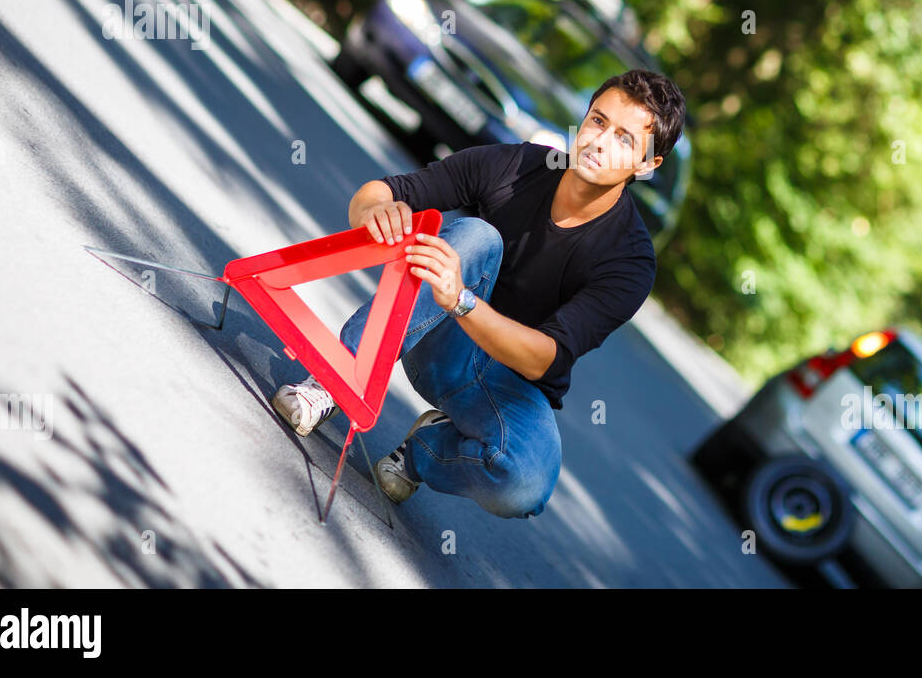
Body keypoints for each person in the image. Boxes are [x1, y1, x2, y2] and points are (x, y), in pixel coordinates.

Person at [271, 69, 686, 518]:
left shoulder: (631, 261)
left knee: (524, 485)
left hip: (504, 381)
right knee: (476, 235)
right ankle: (337, 377)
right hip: (433, 334)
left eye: (625, 139)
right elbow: (384, 192)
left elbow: (543, 357)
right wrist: (377, 212)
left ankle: (422, 452)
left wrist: (462, 301)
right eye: (598, 121)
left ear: (647, 164)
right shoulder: (518, 165)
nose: (600, 142)